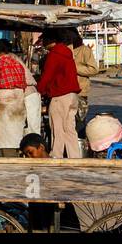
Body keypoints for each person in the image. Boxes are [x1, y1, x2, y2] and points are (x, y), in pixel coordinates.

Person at [37, 28, 82, 158]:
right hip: (72, 96)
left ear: (49, 40)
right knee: (69, 129)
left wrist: (39, 90)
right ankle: (75, 157)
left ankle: (56, 156)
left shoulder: (54, 54)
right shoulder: (67, 53)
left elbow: (47, 76)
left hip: (60, 96)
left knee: (57, 128)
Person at [0, 38, 27, 156]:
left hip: (5, 103)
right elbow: (24, 85)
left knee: (5, 138)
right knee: (17, 135)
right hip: (19, 102)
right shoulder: (18, 64)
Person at [70, 31, 99, 129]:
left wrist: (75, 68)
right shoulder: (65, 49)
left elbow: (94, 69)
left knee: (79, 121)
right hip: (66, 92)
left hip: (80, 92)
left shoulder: (85, 50)